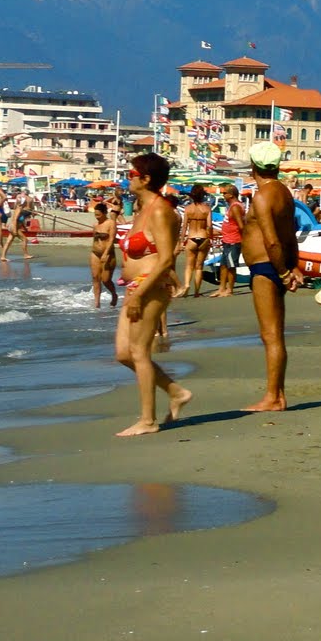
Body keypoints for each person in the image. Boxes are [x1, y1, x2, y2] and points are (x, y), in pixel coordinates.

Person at [113, 152, 191, 436]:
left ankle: (147, 420)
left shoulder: (160, 210)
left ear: (146, 179)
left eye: (131, 175)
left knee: (139, 352)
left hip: (150, 286)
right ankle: (176, 391)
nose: (127, 179)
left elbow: (167, 259)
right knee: (124, 353)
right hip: (136, 287)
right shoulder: (140, 208)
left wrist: (138, 294)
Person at [242, 141, 303, 411]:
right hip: (276, 265)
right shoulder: (285, 193)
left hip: (267, 267)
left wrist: (283, 271)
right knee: (275, 333)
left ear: (253, 166)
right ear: (277, 166)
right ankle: (277, 394)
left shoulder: (263, 196)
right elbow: (289, 235)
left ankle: (273, 397)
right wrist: (295, 266)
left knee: (270, 335)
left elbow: (272, 241)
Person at [179, 184, 214, 297]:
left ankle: (187, 285)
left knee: (189, 265)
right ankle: (197, 292)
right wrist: (210, 237)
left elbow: (184, 226)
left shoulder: (188, 209)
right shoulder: (207, 209)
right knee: (199, 266)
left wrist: (181, 241)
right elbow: (209, 226)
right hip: (203, 237)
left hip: (192, 237)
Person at [214, 182, 244, 297]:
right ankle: (221, 288)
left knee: (231, 266)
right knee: (223, 265)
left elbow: (241, 225)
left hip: (234, 241)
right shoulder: (232, 206)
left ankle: (229, 289)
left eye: (224, 193)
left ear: (231, 195)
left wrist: (244, 241)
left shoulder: (236, 207)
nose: (223, 195)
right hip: (227, 240)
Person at [91, 201, 119, 309]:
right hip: (95, 253)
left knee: (105, 280)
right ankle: (97, 304)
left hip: (108, 253)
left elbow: (111, 239)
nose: (97, 217)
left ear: (104, 213)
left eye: (98, 215)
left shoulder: (111, 223)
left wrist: (106, 253)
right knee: (95, 277)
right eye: (95, 215)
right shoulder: (95, 225)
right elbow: (95, 240)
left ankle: (114, 294)